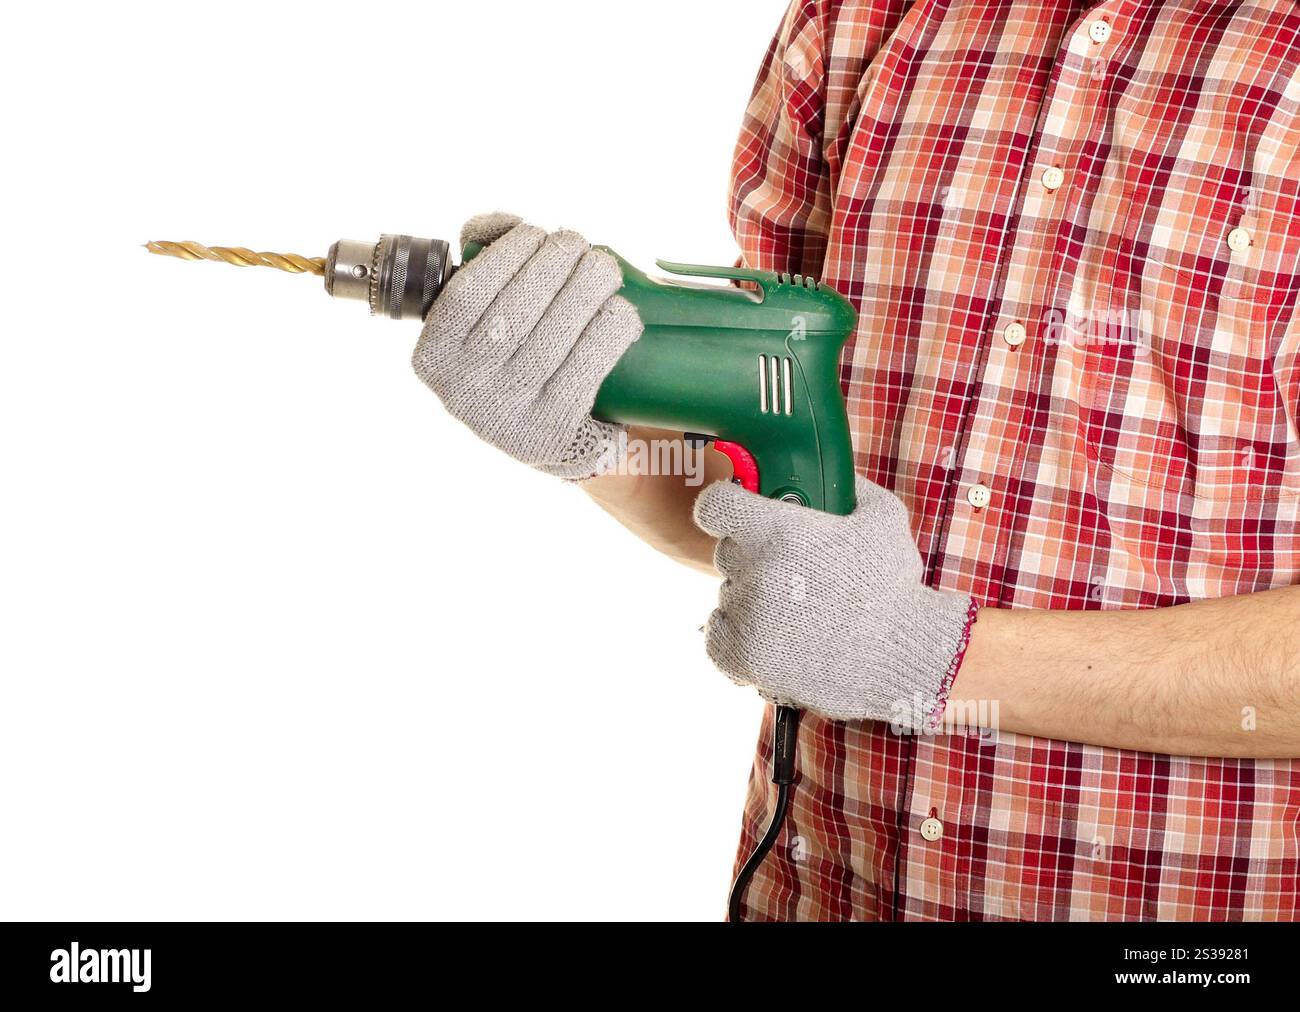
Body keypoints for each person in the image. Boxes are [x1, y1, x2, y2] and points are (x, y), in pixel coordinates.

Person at [412, 0, 1300, 921]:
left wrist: (927, 655)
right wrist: (585, 436)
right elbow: (780, 478)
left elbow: (871, 624)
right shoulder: (853, 21)